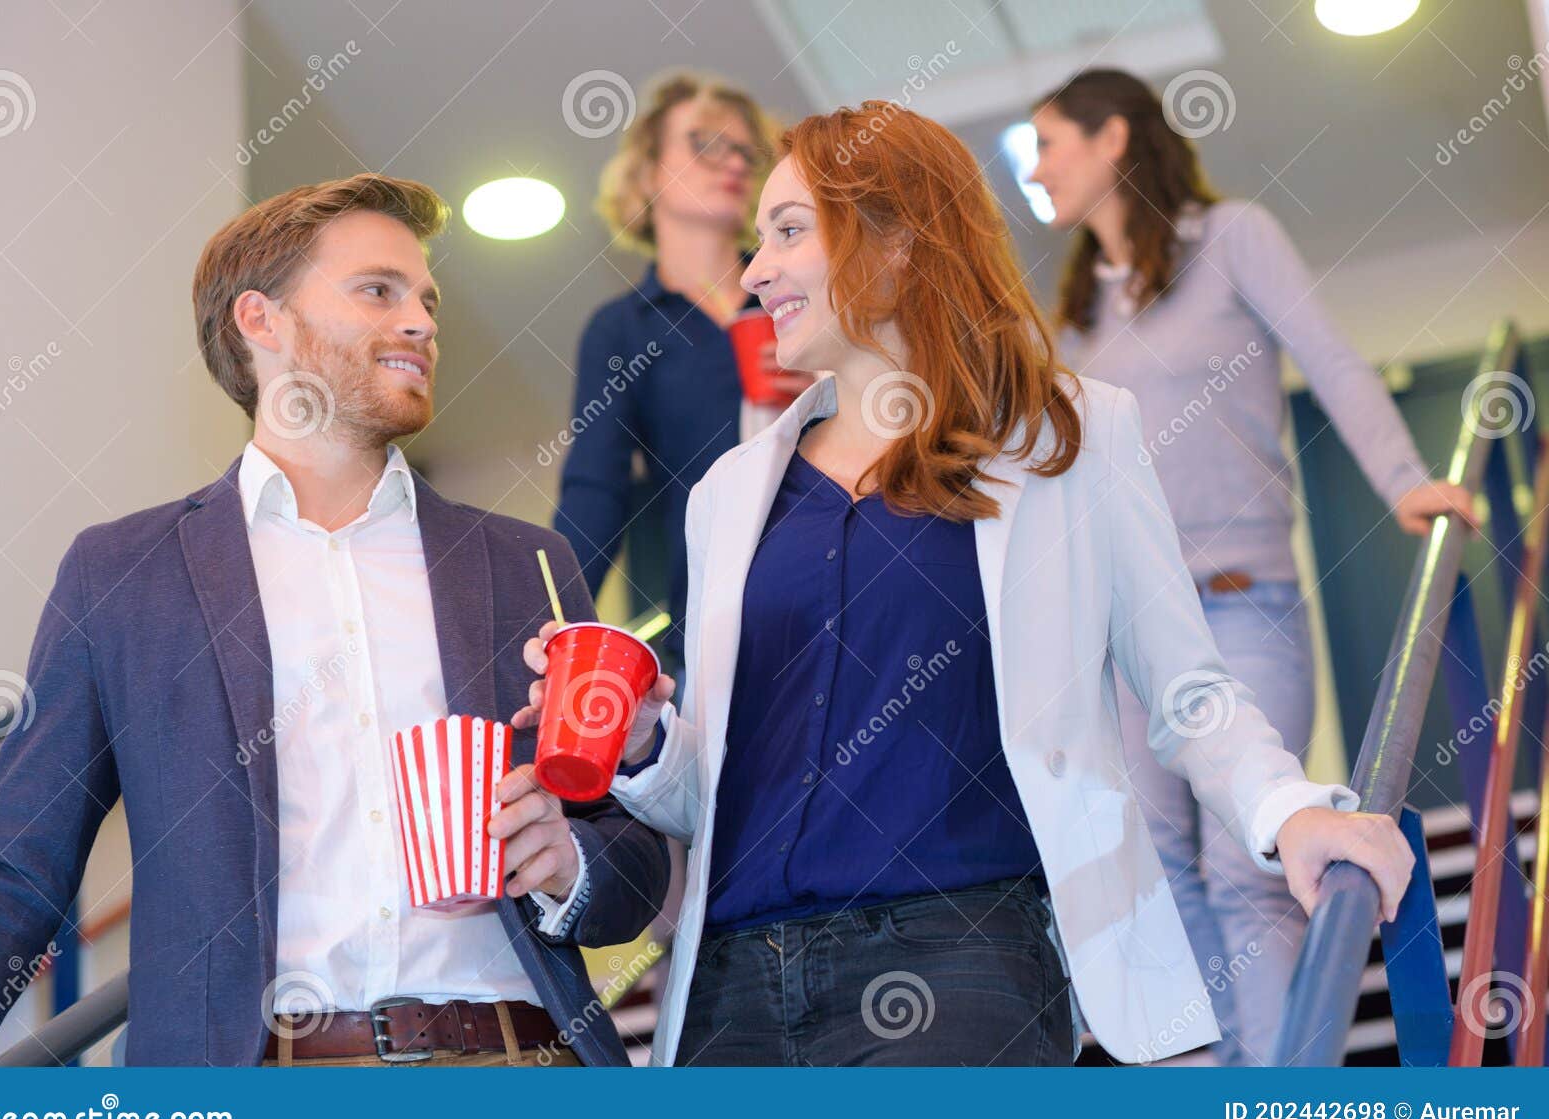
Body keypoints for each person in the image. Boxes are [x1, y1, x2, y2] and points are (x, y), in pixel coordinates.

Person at [512, 103, 1416, 1067]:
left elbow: (1188, 689)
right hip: (731, 990)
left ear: (897, 238)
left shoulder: (1067, 436)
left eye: (788, 232)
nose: (752, 271)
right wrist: (651, 736)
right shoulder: (731, 492)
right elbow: (718, 788)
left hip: (960, 962)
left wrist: (1293, 809)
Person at [0, 174, 669, 1067]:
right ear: (262, 321)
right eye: (379, 290)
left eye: (426, 299)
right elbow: (16, 870)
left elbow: (631, 853)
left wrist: (567, 861)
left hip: (525, 1065)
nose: (421, 321)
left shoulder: (525, 565)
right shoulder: (123, 576)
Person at [1027, 68, 1475, 1065]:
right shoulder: (1074, 319)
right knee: (1162, 871)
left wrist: (1405, 479)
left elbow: (1331, 357)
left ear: (1109, 141)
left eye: (1049, 141)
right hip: (1123, 640)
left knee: (1245, 859)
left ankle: (1280, 1100)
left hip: (1241, 602)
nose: (1038, 167)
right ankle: (1219, 1096)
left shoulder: (1232, 238)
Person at [553, 71, 810, 675]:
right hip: (712, 618)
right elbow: (596, 493)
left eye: (745, 150)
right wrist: (543, 618)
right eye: (703, 142)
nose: (733, 162)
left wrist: (833, 387)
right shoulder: (622, 329)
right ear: (646, 174)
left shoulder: (802, 283)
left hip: (837, 582)